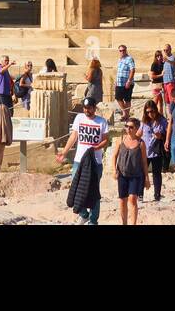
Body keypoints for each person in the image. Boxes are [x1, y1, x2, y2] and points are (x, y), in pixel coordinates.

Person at [59, 96, 109, 225]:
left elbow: (105, 140)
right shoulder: (79, 118)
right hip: (79, 160)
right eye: (85, 108)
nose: (87, 111)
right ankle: (84, 214)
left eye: (89, 108)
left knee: (94, 191)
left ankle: (93, 220)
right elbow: (74, 136)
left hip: (95, 162)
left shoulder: (102, 122)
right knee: (75, 188)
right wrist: (64, 152)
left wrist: (97, 147)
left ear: (94, 108)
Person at [111, 116, 148, 225]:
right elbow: (114, 156)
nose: (128, 129)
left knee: (132, 199)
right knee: (122, 200)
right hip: (122, 174)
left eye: (131, 127)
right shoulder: (121, 139)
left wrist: (146, 178)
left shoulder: (141, 143)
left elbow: (144, 162)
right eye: (126, 126)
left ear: (136, 128)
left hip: (135, 175)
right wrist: (114, 170)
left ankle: (133, 223)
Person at [140, 100, 168, 202]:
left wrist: (162, 136)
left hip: (156, 151)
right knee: (142, 173)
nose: (150, 114)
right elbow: (139, 133)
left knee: (156, 173)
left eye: (151, 111)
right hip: (145, 151)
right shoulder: (144, 121)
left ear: (155, 110)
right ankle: (140, 194)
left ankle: (157, 194)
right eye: (147, 112)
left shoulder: (162, 120)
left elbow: (169, 132)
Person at [113, 44, 136, 124]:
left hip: (127, 82)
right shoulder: (120, 60)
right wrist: (116, 81)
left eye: (123, 50)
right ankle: (126, 113)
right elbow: (119, 71)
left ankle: (125, 115)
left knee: (127, 99)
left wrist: (129, 81)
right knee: (118, 98)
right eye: (120, 50)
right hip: (119, 82)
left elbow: (132, 70)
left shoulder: (129, 59)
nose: (122, 52)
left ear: (126, 50)